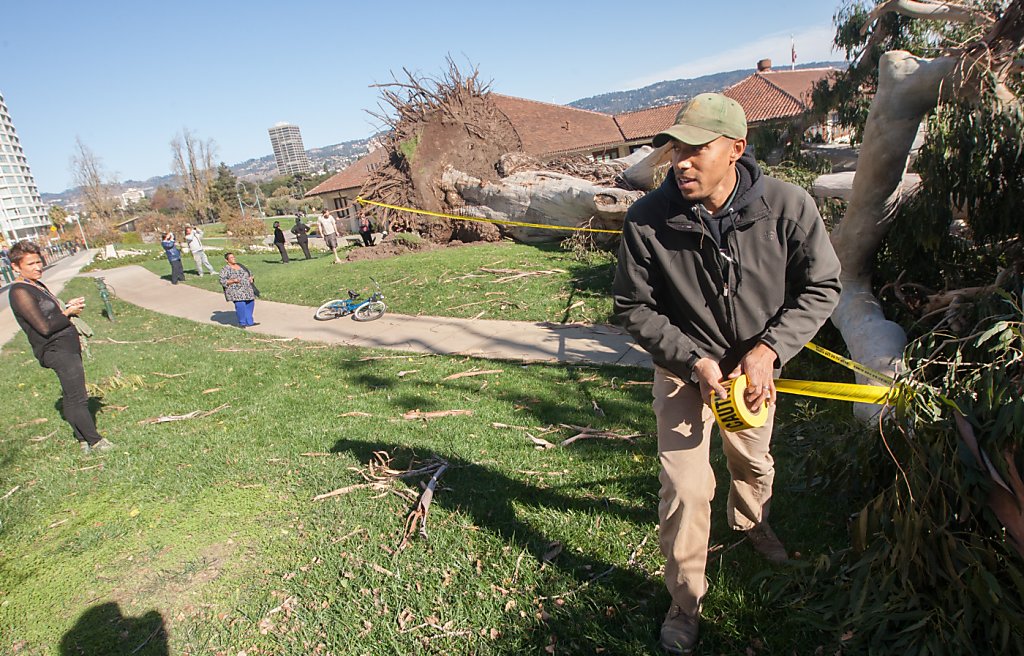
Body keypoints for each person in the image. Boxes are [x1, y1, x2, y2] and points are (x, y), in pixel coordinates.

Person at [612, 93, 841, 654]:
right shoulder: (647, 220)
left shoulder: (787, 207)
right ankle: (685, 601)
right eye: (675, 149)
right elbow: (632, 307)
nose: (680, 161)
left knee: (752, 459)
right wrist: (692, 360)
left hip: (754, 371)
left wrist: (770, 349)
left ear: (736, 149)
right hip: (683, 366)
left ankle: (750, 523)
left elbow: (822, 285)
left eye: (696, 148)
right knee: (686, 489)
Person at [7, 241, 115, 453]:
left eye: (39, 261)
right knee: (78, 396)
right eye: (30, 264)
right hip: (55, 349)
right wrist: (69, 313)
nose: (38, 267)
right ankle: (95, 441)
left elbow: (49, 313)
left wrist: (65, 307)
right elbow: (44, 327)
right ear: (16, 267)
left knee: (71, 394)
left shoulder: (35, 285)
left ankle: (83, 438)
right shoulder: (19, 291)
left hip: (66, 345)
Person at [219, 252, 258, 328]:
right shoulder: (225, 269)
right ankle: (242, 322)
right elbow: (222, 281)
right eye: (231, 258)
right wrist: (233, 281)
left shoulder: (240, 266)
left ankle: (249, 321)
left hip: (247, 288)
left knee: (250, 303)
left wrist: (251, 278)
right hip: (235, 290)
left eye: (234, 257)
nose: (233, 259)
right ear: (227, 260)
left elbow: (249, 273)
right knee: (241, 304)